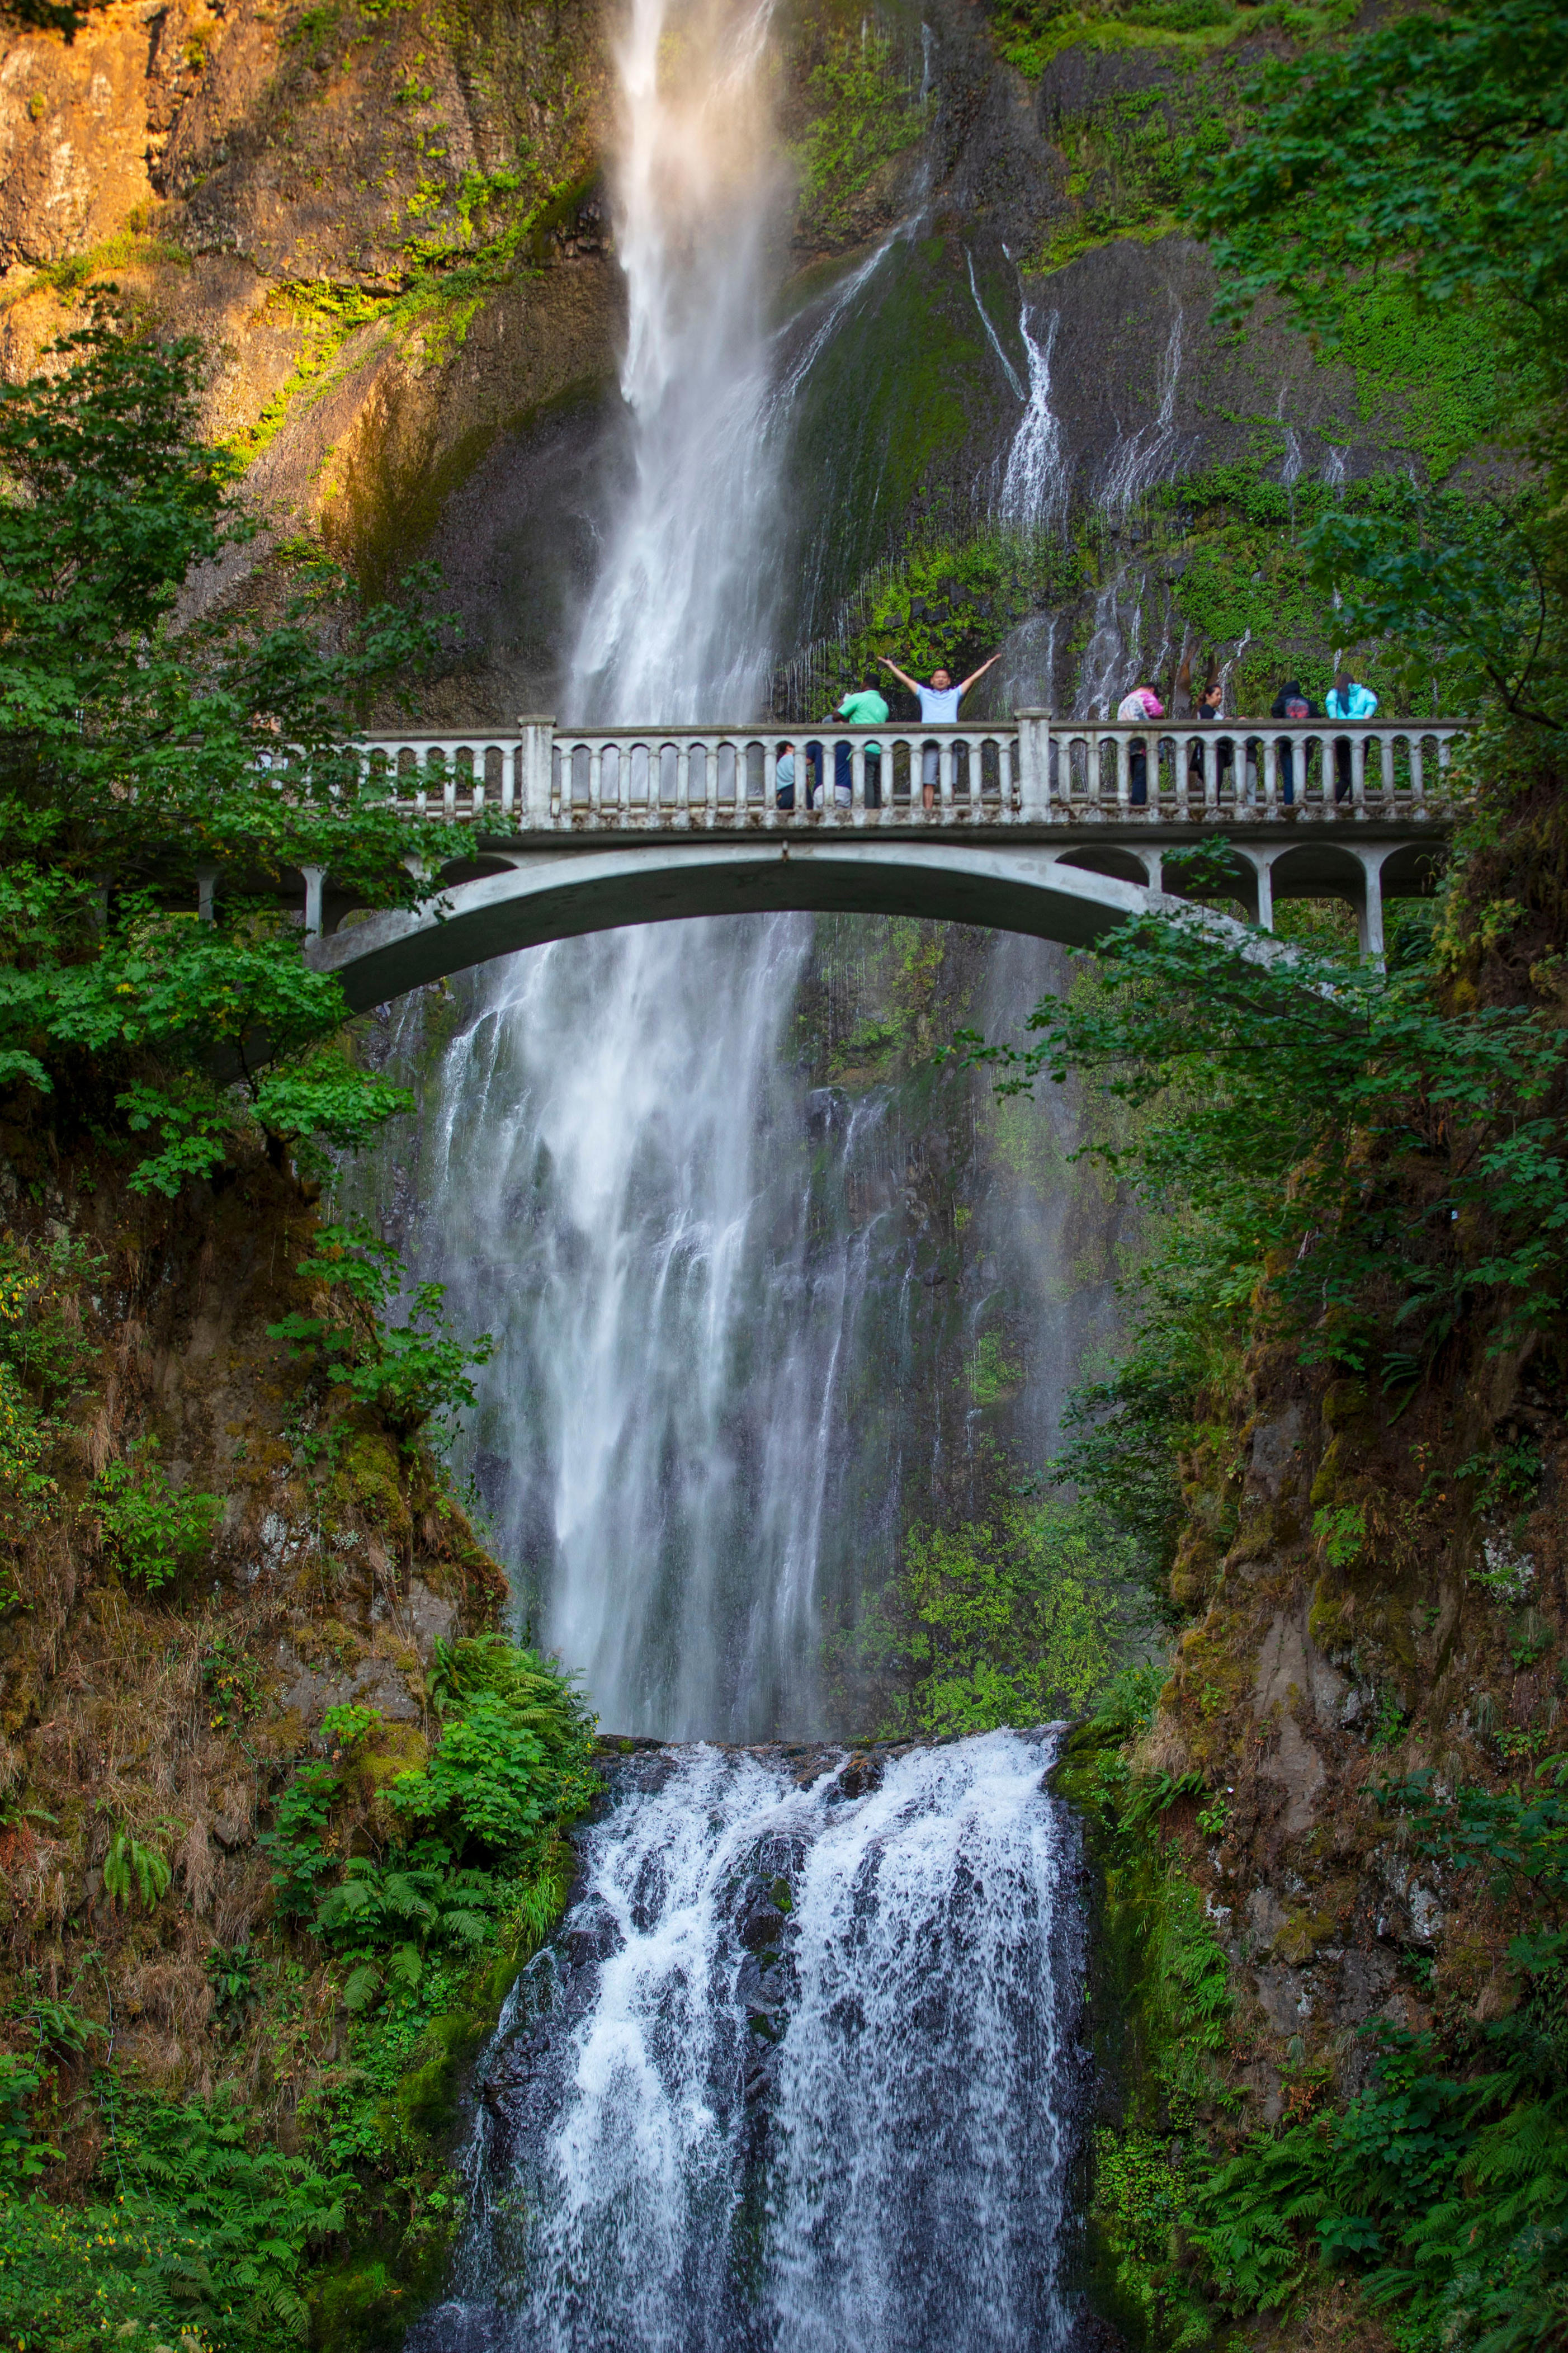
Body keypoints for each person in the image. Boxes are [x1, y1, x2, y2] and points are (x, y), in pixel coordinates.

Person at [879, 651, 1003, 809]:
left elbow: (972, 679)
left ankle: (948, 811)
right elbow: (906, 681)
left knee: (950, 781)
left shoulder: (955, 694)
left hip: (951, 744)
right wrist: (891, 666)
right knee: (928, 781)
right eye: (938, 677)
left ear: (949, 681)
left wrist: (988, 664)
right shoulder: (924, 694)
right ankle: (928, 812)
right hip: (930, 743)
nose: (941, 679)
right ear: (932, 681)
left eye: (944, 677)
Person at [832, 673, 890, 807]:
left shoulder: (857, 698)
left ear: (865, 684)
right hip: (881, 749)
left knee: (866, 781)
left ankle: (869, 814)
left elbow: (836, 716)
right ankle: (879, 813)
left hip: (864, 748)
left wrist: (844, 702)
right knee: (877, 783)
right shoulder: (883, 704)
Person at [1324, 669, 1379, 803]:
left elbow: (1330, 703)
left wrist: (1334, 720)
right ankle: (1354, 802)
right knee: (1358, 771)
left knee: (1345, 774)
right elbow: (1373, 702)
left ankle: (1332, 802)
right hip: (1361, 734)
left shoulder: (1335, 693)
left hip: (1342, 735)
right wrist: (1366, 717)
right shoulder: (1364, 692)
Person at [1115, 684, 1165, 805]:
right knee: (1142, 778)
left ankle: (1136, 804)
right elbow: (1159, 712)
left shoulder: (1126, 701)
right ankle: (1138, 809)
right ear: (1152, 690)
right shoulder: (1146, 696)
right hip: (1144, 745)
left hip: (1128, 745)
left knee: (1136, 778)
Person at [1270, 678, 1317, 805]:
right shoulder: (1308, 703)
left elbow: (1275, 712)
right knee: (1302, 776)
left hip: (1286, 745)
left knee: (1289, 778)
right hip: (1304, 745)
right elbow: (1316, 716)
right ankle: (1300, 802)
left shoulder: (1282, 701)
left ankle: (1289, 805)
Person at [1188, 677, 1234, 797]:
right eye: (1217, 694)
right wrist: (1226, 721)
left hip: (1215, 752)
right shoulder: (1205, 709)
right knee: (1213, 784)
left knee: (1214, 784)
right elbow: (1210, 726)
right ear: (1208, 696)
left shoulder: (1212, 711)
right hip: (1210, 752)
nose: (1220, 697)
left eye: (1221, 695)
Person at [774, 742, 796, 812]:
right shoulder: (796, 760)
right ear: (788, 748)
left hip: (781, 796)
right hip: (794, 794)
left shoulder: (779, 763)